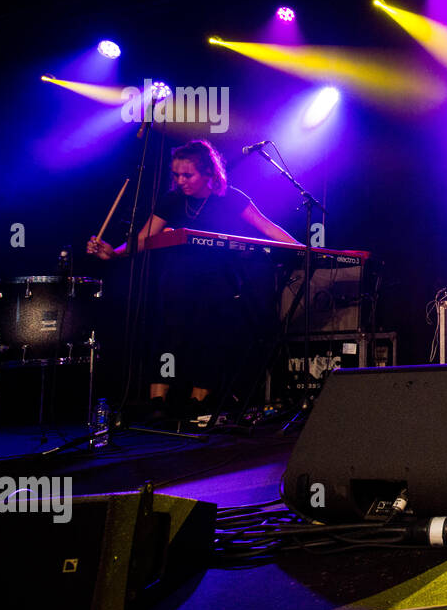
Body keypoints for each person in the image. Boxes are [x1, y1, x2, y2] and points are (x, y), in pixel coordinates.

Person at [88, 139, 299, 417]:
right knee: (167, 338)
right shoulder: (173, 200)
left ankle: (198, 402)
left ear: (209, 173)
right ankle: (157, 403)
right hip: (176, 282)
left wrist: (310, 251)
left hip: (218, 283)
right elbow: (142, 239)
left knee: (210, 339)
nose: (180, 181)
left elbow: (269, 229)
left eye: (188, 175)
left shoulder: (232, 198)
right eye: (176, 175)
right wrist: (114, 254)